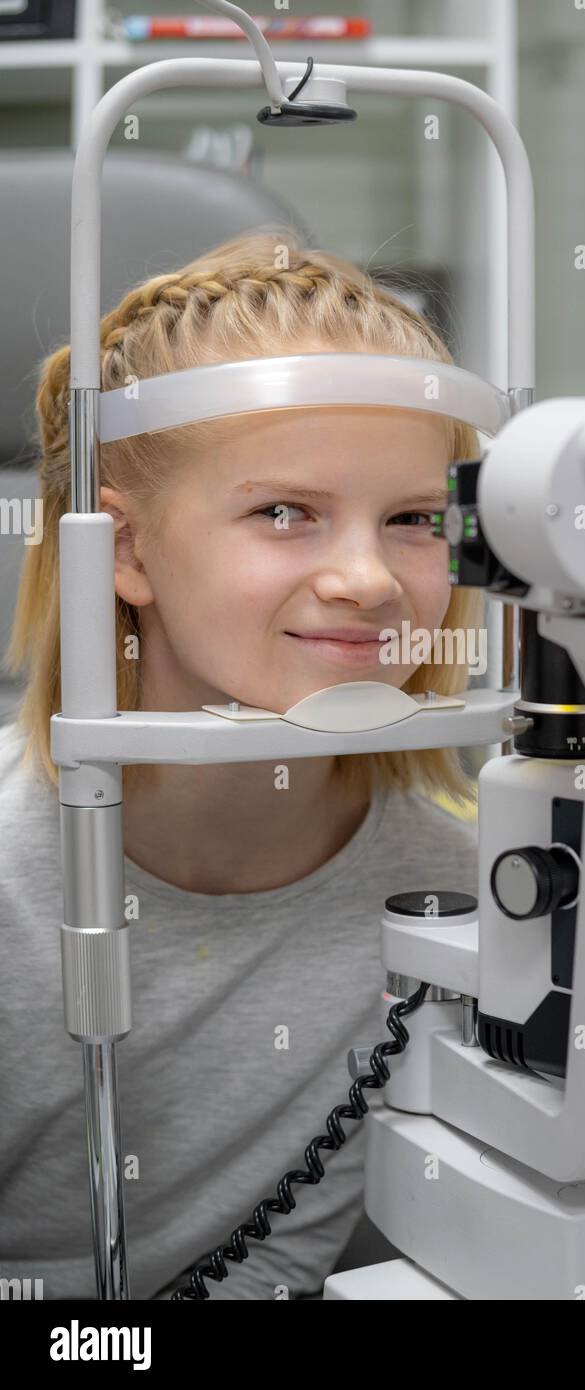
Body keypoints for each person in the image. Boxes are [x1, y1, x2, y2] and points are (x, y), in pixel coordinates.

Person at [0, 228, 484, 1300]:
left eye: (411, 518)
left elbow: (283, 1261)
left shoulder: (454, 901)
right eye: (283, 512)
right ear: (123, 550)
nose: (365, 577)